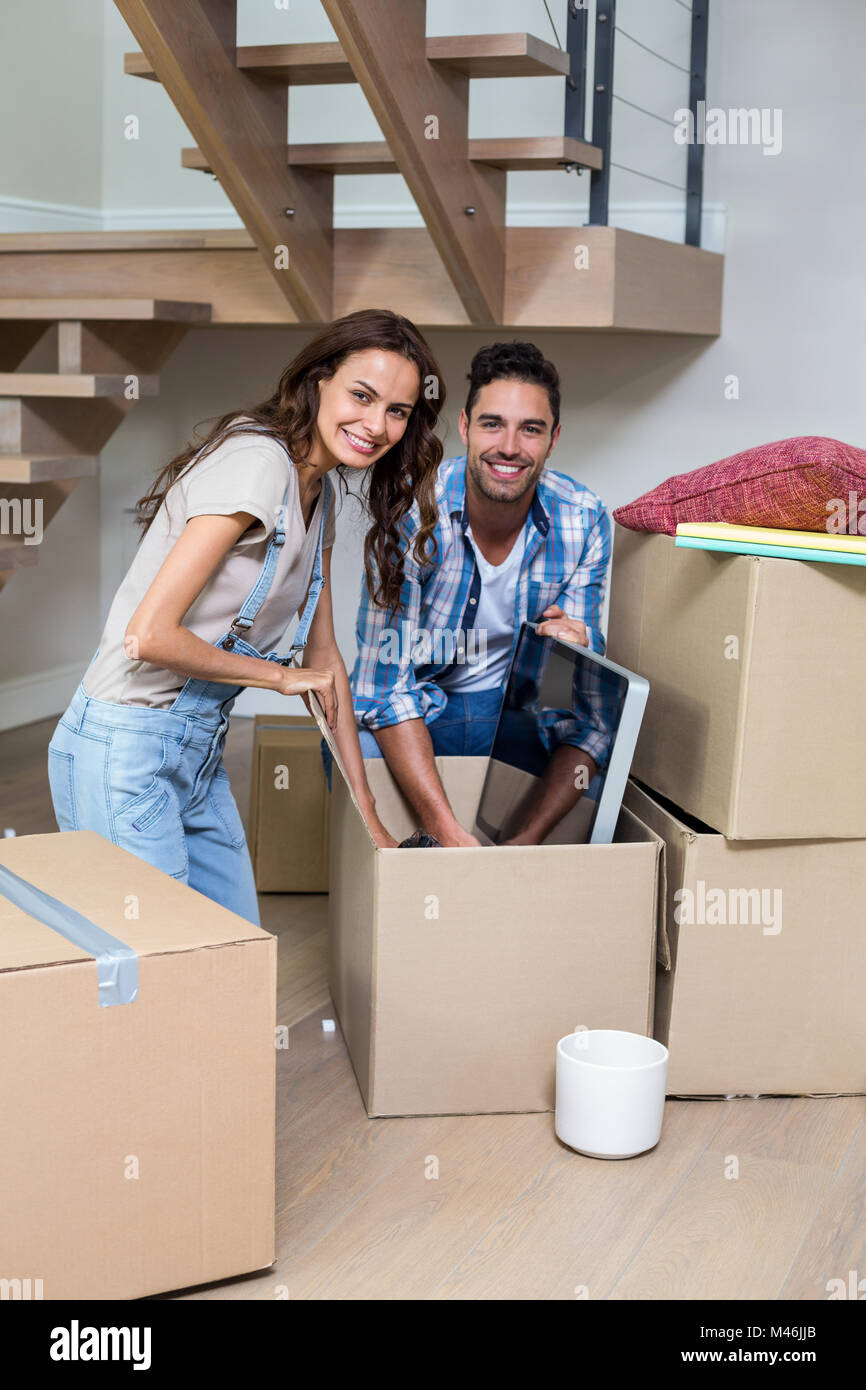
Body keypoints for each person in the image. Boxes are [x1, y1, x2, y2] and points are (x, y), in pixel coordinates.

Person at [47, 309, 447, 922]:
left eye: (398, 411)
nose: (376, 425)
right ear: (318, 383)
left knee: (236, 945)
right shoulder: (257, 463)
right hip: (124, 745)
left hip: (198, 753)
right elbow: (147, 636)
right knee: (159, 971)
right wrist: (280, 678)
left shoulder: (324, 493)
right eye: (361, 396)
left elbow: (324, 660)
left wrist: (373, 825)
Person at [350, 340, 612, 847]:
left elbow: (587, 715)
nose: (510, 446)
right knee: (354, 751)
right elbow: (383, 689)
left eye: (530, 428)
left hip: (515, 720)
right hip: (423, 709)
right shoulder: (411, 512)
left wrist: (580, 649)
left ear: (553, 438)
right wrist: (449, 835)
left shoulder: (584, 519)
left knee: (598, 761)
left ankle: (521, 857)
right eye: (492, 424)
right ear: (466, 427)